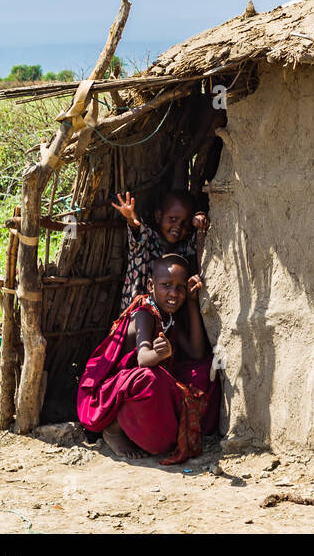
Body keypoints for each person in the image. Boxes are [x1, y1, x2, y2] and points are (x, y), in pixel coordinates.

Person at [77, 254, 219, 463]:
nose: (174, 293)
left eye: (180, 287)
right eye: (167, 285)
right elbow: (144, 359)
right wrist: (159, 354)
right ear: (151, 285)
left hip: (141, 392)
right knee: (151, 378)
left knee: (204, 370)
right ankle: (114, 428)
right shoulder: (144, 313)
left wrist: (191, 302)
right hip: (108, 395)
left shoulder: (169, 315)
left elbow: (197, 353)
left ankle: (156, 430)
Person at [112, 189, 209, 311]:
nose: (178, 226)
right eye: (173, 219)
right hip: (137, 317)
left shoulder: (183, 248)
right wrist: (131, 217)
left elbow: (199, 238)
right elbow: (137, 229)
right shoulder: (147, 241)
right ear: (158, 216)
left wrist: (200, 220)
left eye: (185, 223)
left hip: (167, 320)